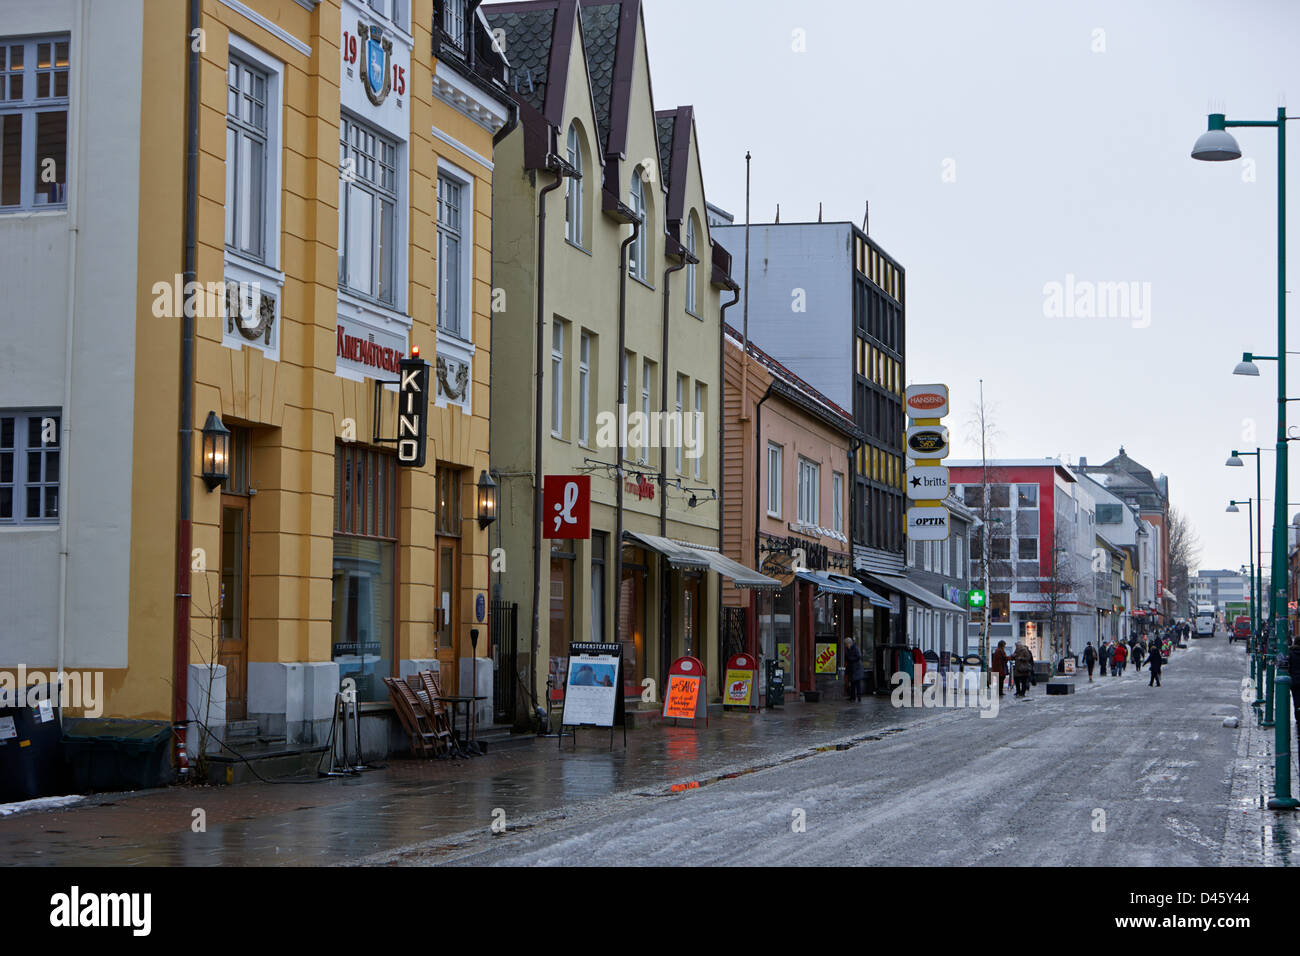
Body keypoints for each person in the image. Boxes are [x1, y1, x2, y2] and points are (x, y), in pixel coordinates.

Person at [845, 637, 864, 702]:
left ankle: (859, 697)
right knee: (852, 683)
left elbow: (859, 656)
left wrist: (851, 659)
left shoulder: (855, 648)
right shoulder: (848, 648)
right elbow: (847, 657)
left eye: (846, 644)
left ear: (850, 643)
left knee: (857, 683)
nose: (846, 645)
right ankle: (852, 697)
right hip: (851, 668)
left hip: (857, 668)